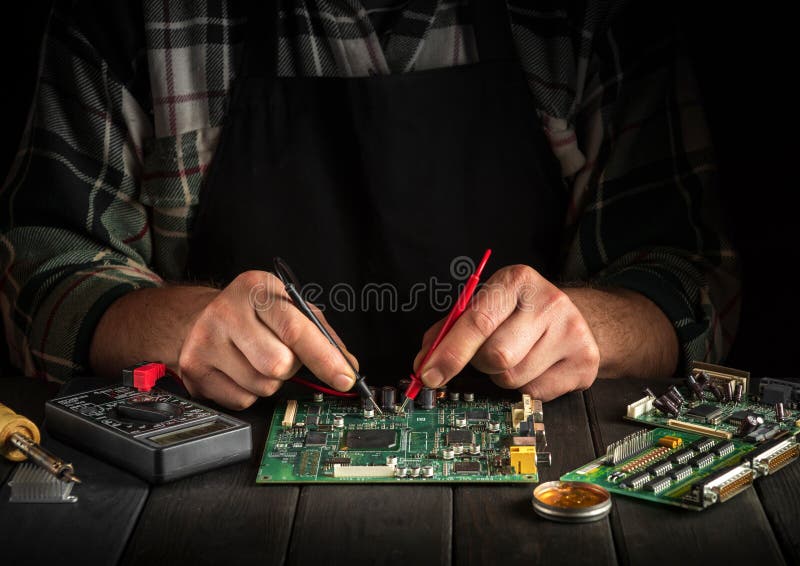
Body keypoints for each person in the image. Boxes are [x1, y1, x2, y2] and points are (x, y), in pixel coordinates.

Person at [0, 0, 739, 410]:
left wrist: (591, 328)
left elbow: (692, 281)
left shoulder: (589, 17)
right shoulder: (132, 17)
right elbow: (40, 268)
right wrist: (180, 325)